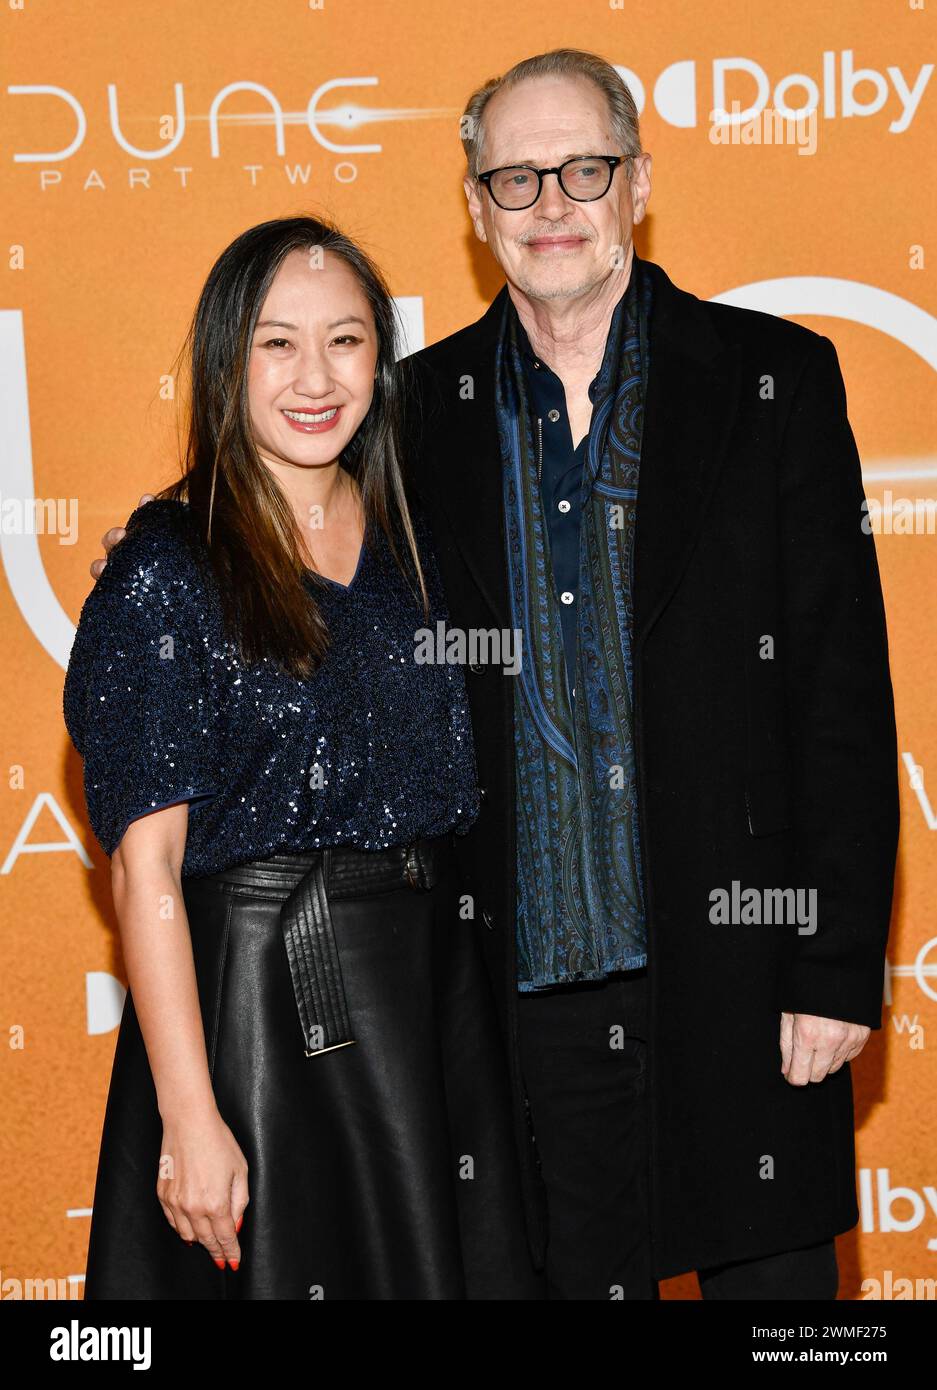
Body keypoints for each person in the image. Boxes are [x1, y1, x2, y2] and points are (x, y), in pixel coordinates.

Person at [93, 50, 900, 1301]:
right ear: (474, 209)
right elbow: (275, 535)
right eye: (514, 178)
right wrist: (164, 550)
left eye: (583, 168)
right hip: (518, 1016)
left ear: (637, 180)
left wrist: (834, 962)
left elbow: (842, 695)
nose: (551, 204)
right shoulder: (412, 417)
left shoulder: (773, 381)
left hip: (741, 984)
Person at [65, 215, 539, 1300]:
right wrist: (190, 1114)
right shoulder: (168, 569)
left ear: (384, 357)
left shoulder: (419, 534)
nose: (313, 377)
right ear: (226, 359)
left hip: (430, 993)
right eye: (276, 343)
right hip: (264, 1010)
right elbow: (145, 871)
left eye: (346, 340)